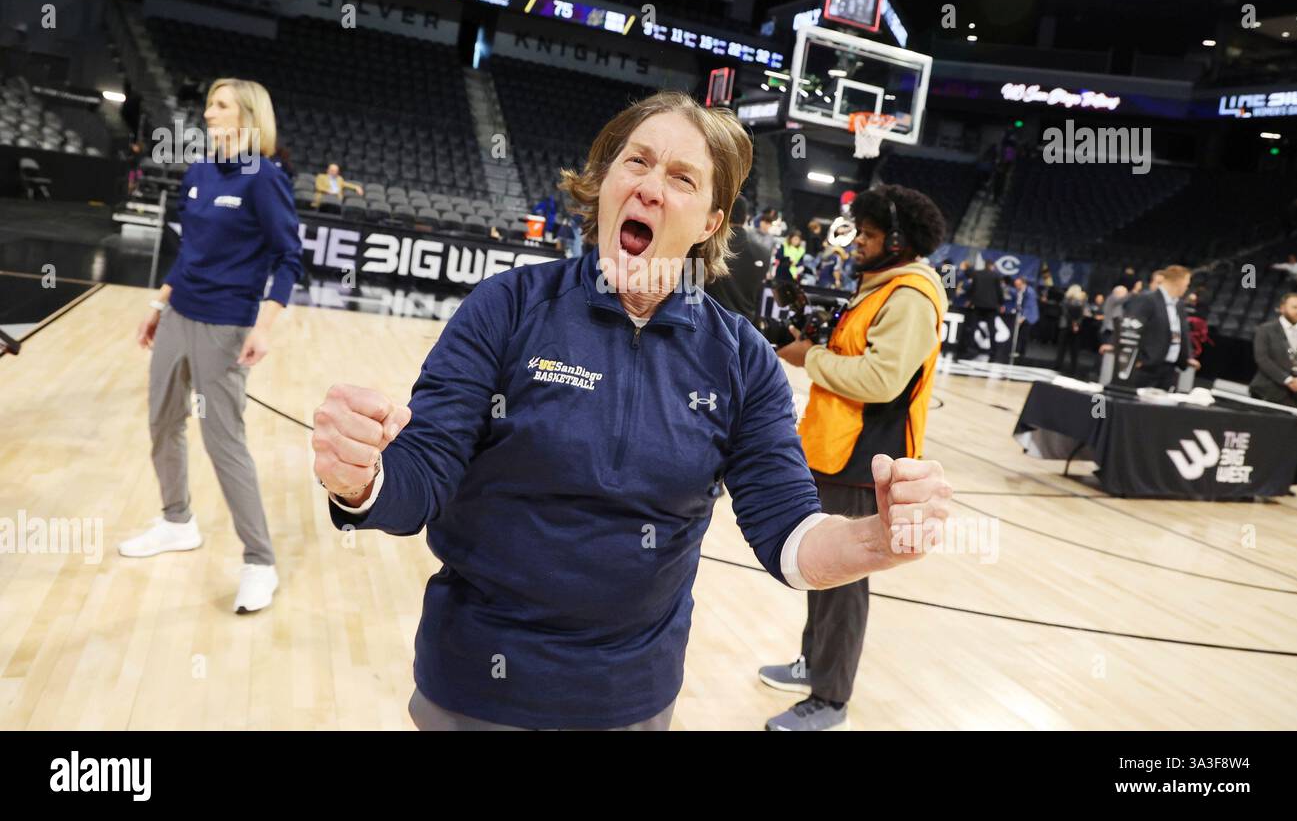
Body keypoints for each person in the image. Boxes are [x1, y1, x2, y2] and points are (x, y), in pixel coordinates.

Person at [309, 92, 952, 732]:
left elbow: (788, 536)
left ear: (709, 221)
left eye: (681, 178)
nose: (649, 187)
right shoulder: (506, 308)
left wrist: (875, 540)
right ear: (603, 183)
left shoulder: (743, 361)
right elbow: (420, 479)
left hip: (633, 698)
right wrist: (364, 479)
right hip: (475, 686)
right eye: (635, 162)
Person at [765, 184, 949, 731]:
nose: (859, 243)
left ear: (896, 239)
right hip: (834, 449)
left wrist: (810, 357)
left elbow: (880, 380)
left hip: (866, 460)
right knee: (821, 570)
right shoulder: (880, 287)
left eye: (868, 235)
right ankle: (814, 665)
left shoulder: (911, 296)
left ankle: (831, 698)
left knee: (843, 581)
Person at [120, 78, 302, 614]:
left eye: (220, 106)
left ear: (248, 115)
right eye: (209, 105)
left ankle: (259, 561)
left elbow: (289, 258)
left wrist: (263, 327)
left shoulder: (264, 178)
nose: (209, 114)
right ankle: (176, 521)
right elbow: (189, 251)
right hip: (179, 313)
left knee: (224, 443)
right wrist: (159, 305)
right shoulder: (198, 172)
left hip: (226, 326)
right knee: (161, 422)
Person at [1115, 264, 1199, 391]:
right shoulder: (1147, 299)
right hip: (1147, 368)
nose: (1187, 287)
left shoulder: (1179, 305)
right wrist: (1137, 359)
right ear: (1178, 282)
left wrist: (1187, 357)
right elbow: (1130, 327)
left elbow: (1182, 334)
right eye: (1186, 283)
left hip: (1169, 370)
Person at [705, 193, 772, 322]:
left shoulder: (706, 245)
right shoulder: (764, 253)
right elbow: (759, 295)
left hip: (709, 324)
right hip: (744, 329)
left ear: (721, 215)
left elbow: (689, 295)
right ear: (746, 218)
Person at [1247, 292, 1297, 406]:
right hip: (1265, 392)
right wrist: (1288, 380)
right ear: (1282, 308)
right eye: (1295, 307)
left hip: (1294, 398)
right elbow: (1262, 359)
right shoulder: (1265, 329)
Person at [967, 261, 1005, 358]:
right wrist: (1001, 303)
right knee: (992, 329)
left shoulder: (976, 274)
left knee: (973, 327)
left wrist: (970, 301)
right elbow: (999, 291)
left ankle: (970, 348)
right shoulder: (996, 276)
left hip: (977, 304)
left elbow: (972, 288)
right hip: (991, 306)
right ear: (991, 266)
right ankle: (993, 350)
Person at [1054, 284, 1088, 377]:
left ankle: (1064, 366)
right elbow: (1079, 315)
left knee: (1066, 348)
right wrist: (1076, 324)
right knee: (1069, 348)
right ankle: (1067, 367)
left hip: (1068, 325)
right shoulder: (1073, 301)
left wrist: (1074, 323)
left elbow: (1067, 313)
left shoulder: (1077, 301)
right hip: (1071, 326)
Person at [1008, 276, 1039, 363]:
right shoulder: (1018, 290)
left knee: (1023, 335)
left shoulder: (1030, 292)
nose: (1017, 287)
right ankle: (1016, 350)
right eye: (1015, 285)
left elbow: (1029, 306)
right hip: (1021, 314)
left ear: (1023, 284)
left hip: (1029, 316)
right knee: (1017, 334)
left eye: (1018, 285)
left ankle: (1021, 354)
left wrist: (1022, 318)